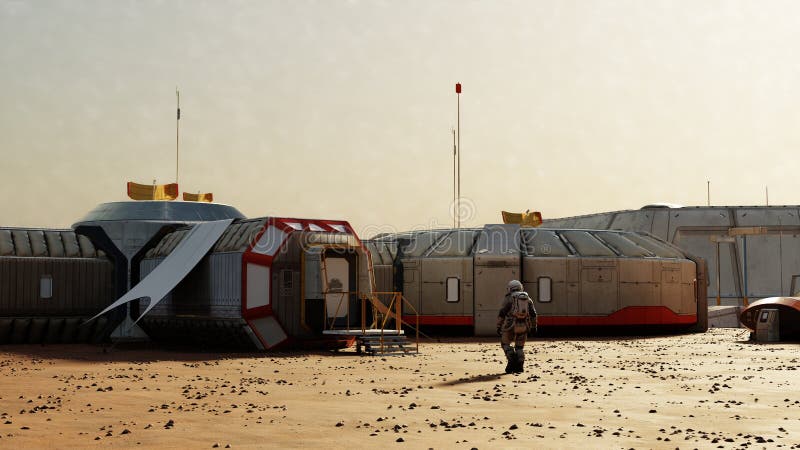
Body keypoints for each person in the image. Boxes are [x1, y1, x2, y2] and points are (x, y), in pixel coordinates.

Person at [496, 279, 537, 373]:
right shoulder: (527, 298)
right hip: (523, 326)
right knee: (519, 347)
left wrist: (499, 326)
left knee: (505, 344)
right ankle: (520, 365)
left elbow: (502, 313)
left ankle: (511, 360)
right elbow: (533, 314)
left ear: (510, 288)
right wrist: (534, 327)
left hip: (510, 326)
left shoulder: (509, 298)